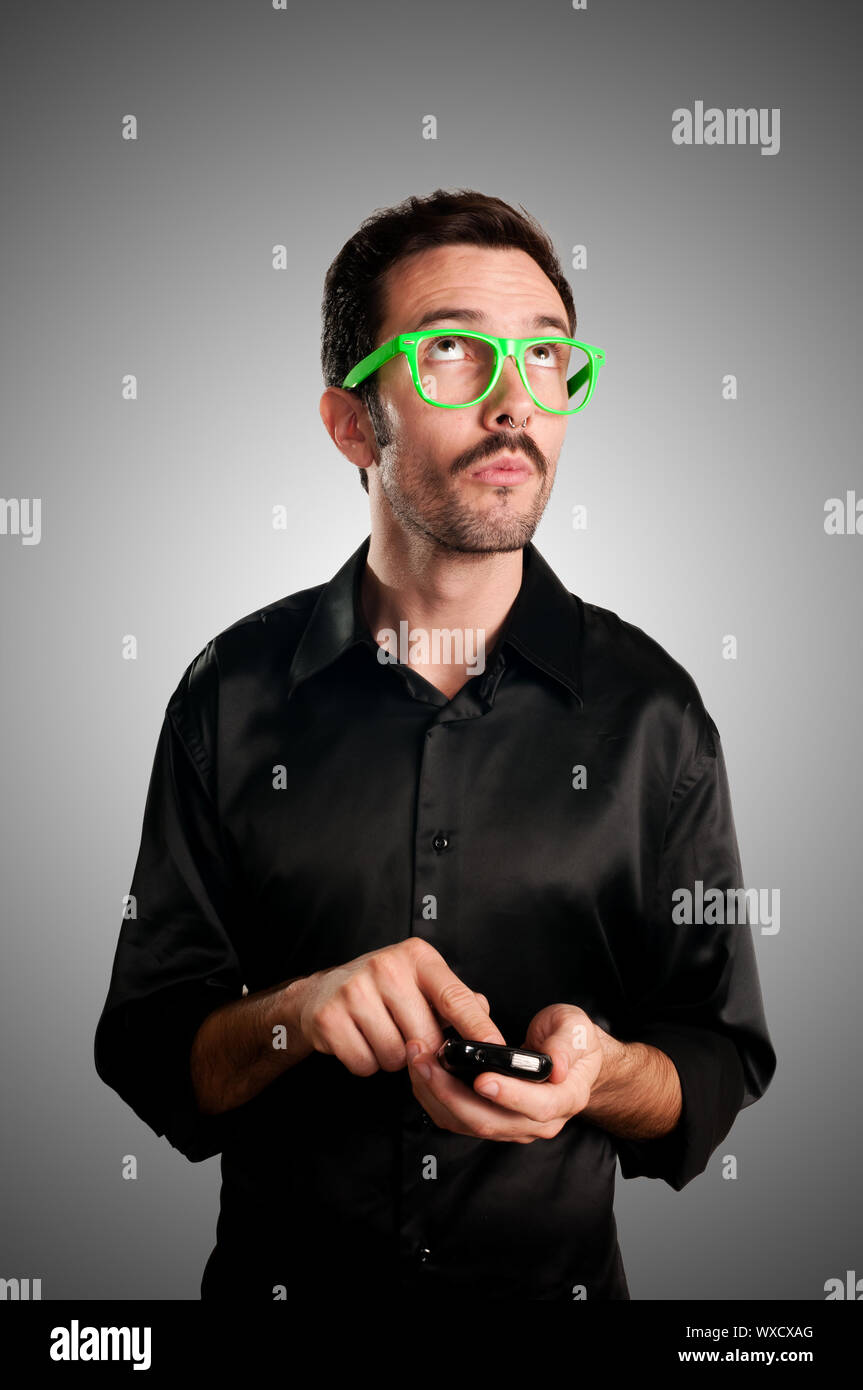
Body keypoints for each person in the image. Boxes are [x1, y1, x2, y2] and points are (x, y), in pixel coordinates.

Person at [94, 188, 776, 1301]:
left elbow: (715, 1054)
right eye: (453, 349)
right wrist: (295, 1017)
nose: (515, 401)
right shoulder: (228, 694)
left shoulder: (655, 712)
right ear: (351, 423)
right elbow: (152, 1050)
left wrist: (601, 1077)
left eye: (548, 358)